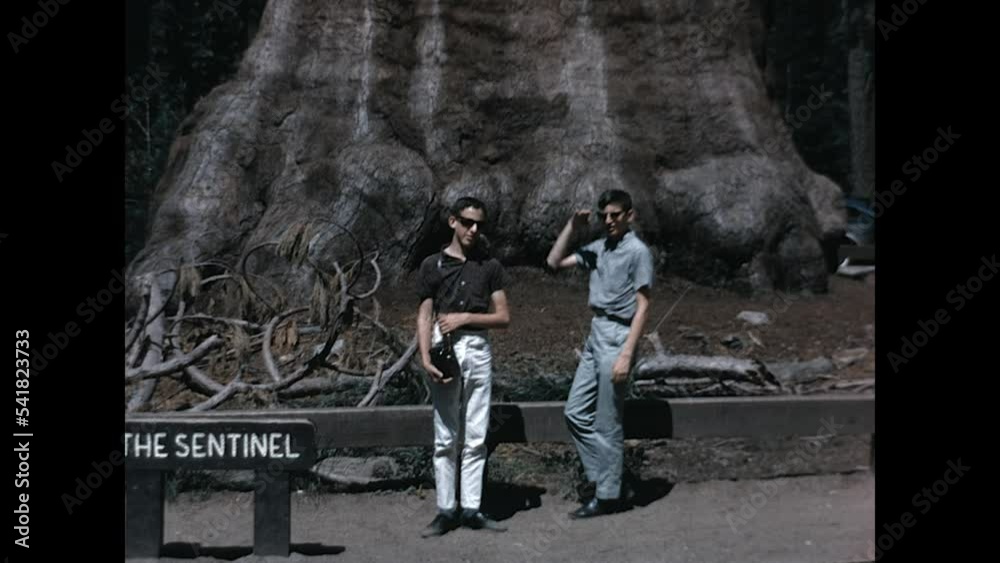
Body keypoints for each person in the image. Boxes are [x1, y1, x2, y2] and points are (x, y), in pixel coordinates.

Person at [544, 189, 654, 518]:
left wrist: (626, 355)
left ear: (629, 216)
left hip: (620, 335)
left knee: (608, 422)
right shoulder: (600, 248)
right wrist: (571, 227)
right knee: (575, 412)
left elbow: (644, 307)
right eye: (604, 215)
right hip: (596, 334)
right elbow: (553, 263)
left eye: (615, 215)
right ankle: (614, 481)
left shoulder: (637, 252)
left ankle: (607, 496)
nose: (608, 221)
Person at [416, 196, 511, 537]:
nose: (474, 230)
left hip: (477, 346)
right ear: (453, 221)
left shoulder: (489, 266)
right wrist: (425, 354)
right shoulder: (432, 265)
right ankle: (446, 509)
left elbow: (503, 316)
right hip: (445, 348)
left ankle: (472, 507)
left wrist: (467, 317)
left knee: (475, 433)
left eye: (479, 225)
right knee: (445, 433)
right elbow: (425, 313)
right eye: (468, 222)